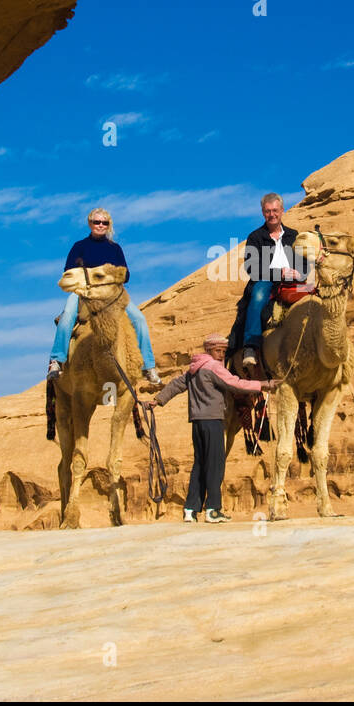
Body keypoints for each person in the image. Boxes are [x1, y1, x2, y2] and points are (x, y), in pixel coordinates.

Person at [151, 333, 278, 523]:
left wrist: (157, 400)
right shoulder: (213, 368)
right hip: (213, 422)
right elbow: (235, 383)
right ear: (209, 350)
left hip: (197, 423)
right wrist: (263, 385)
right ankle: (213, 509)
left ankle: (190, 510)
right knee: (216, 465)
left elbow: (176, 384)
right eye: (218, 351)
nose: (221, 355)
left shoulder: (194, 368)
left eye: (223, 352)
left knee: (200, 464)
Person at [46, 208, 160, 384]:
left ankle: (148, 366)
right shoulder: (80, 246)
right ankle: (57, 360)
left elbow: (126, 274)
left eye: (104, 223)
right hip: (85, 291)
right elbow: (68, 270)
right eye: (97, 222)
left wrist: (108, 276)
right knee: (67, 316)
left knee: (138, 319)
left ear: (109, 225)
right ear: (90, 223)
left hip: (112, 292)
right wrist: (96, 274)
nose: (100, 225)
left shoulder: (114, 248)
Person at [240, 193, 307, 371]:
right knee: (258, 296)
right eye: (268, 211)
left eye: (275, 210)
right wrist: (279, 272)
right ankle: (250, 347)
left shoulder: (293, 235)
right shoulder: (256, 237)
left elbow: (304, 263)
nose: (272, 214)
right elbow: (251, 268)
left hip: (293, 280)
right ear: (263, 213)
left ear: (282, 211)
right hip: (268, 279)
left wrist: (299, 272)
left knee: (316, 293)